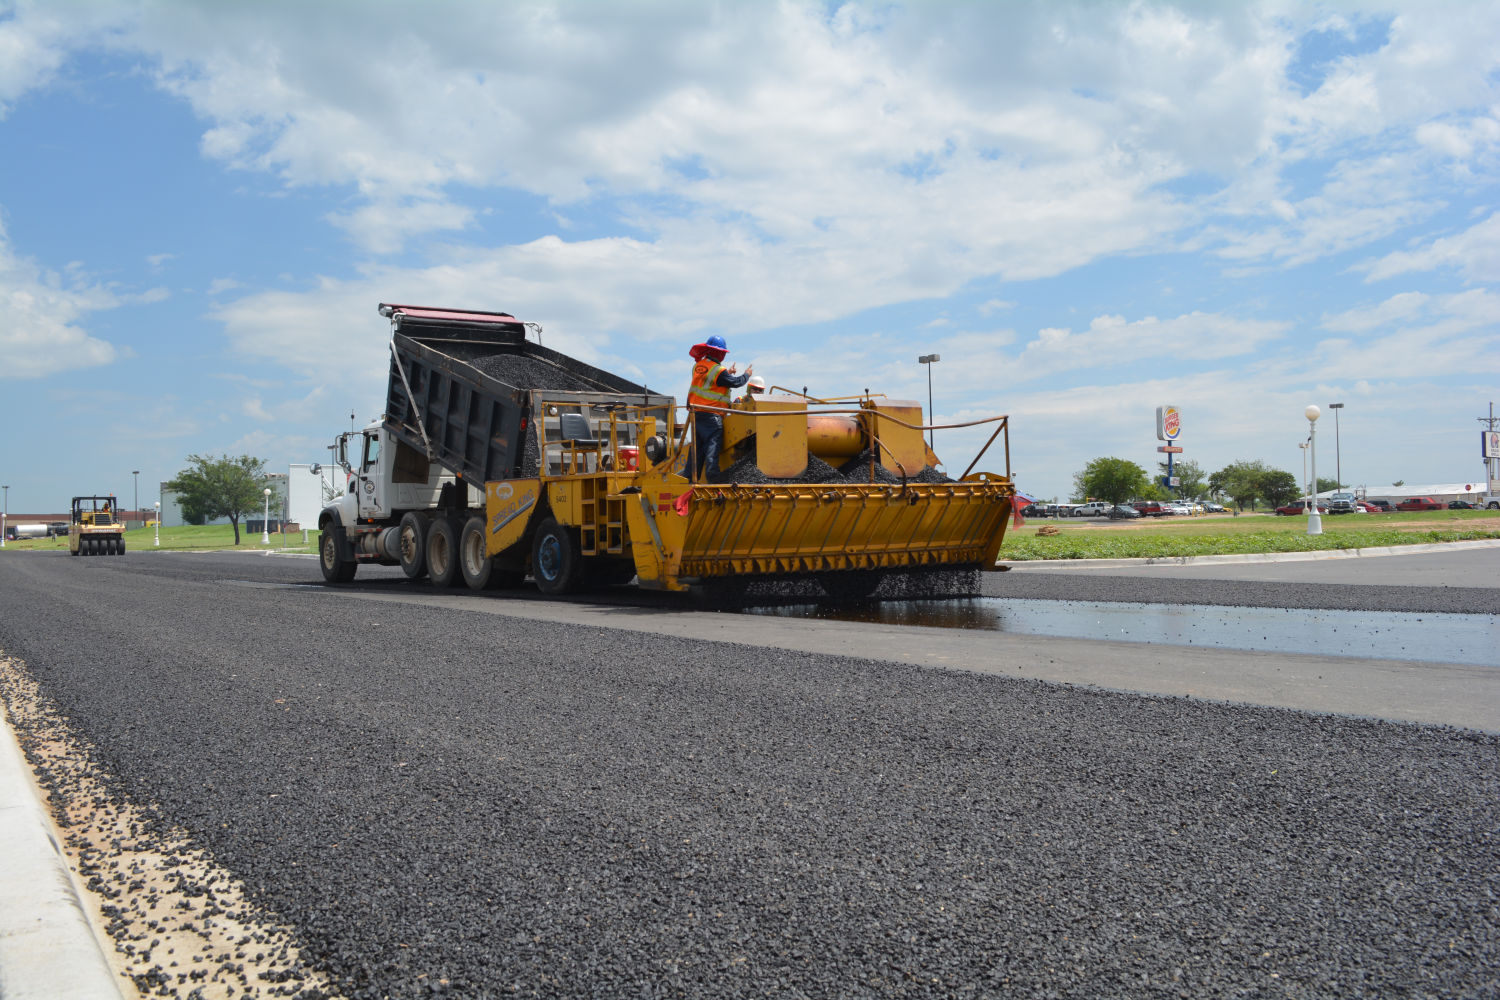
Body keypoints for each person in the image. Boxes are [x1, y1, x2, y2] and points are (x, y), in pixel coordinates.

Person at [686, 335, 752, 480]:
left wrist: (727, 373)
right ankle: (713, 476)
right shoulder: (718, 370)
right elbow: (736, 383)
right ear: (720, 353)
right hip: (711, 415)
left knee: (696, 449)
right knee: (712, 446)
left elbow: (709, 383)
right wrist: (747, 375)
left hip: (696, 414)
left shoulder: (698, 366)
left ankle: (689, 478)